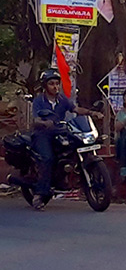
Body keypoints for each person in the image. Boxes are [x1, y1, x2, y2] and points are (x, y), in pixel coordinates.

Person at [30, 69, 103, 211]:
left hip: (60, 131)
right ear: (45, 86)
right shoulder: (39, 101)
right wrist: (44, 123)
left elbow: (75, 109)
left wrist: (91, 112)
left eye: (57, 84)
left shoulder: (62, 99)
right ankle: (40, 194)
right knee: (47, 158)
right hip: (42, 134)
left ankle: (67, 174)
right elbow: (35, 119)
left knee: (74, 146)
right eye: (51, 84)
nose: (55, 87)